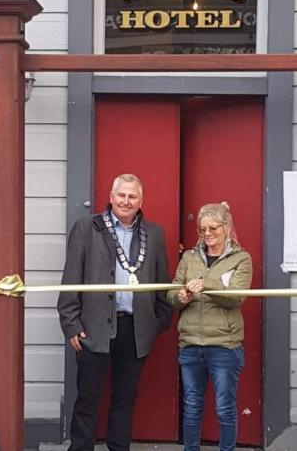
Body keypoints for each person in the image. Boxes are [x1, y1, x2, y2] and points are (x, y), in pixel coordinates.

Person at [57, 173, 172, 451]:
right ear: (111, 197)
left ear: (140, 201)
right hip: (93, 328)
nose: (126, 201)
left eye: (132, 196)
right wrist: (71, 324)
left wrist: (158, 322)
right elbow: (71, 276)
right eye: (121, 195)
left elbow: (162, 281)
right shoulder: (87, 227)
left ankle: (118, 447)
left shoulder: (153, 234)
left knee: (125, 397)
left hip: (135, 330)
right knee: (87, 398)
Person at [167, 202, 252, 451]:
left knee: (224, 407)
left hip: (224, 345)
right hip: (191, 343)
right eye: (202, 229)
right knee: (192, 405)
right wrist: (179, 298)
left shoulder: (241, 258)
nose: (207, 234)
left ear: (227, 227)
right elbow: (172, 293)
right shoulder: (189, 257)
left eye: (213, 228)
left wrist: (207, 283)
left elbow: (236, 297)